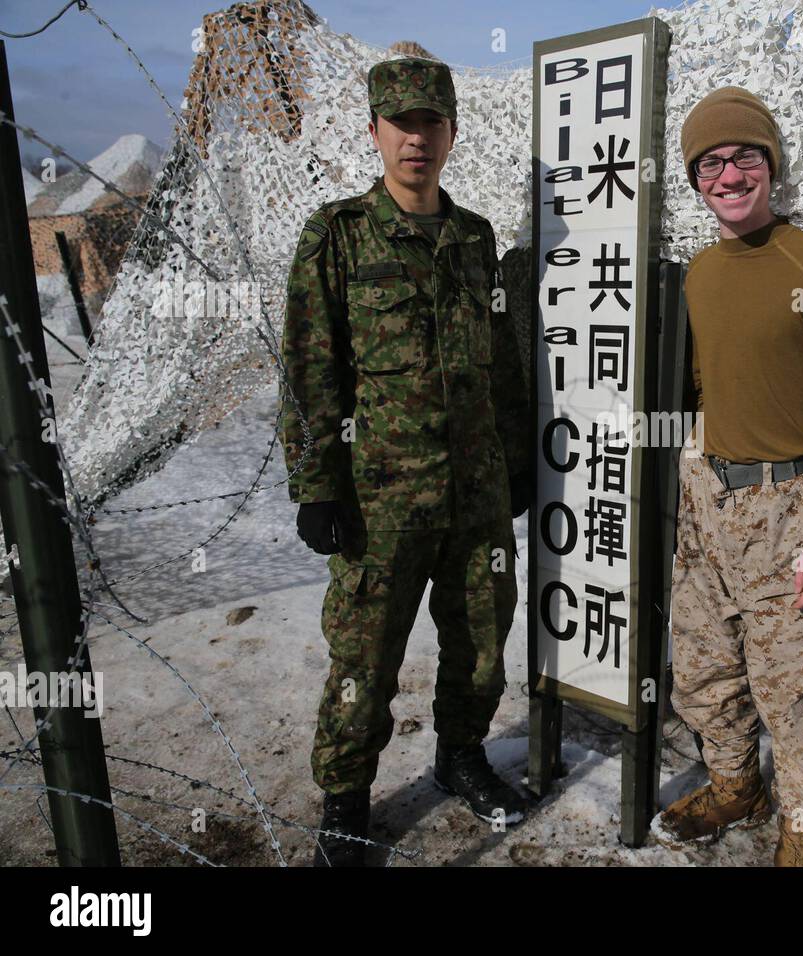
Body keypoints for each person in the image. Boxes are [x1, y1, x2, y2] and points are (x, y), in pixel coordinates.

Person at [278, 56, 532, 866]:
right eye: (400, 122)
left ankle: (461, 757)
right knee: (365, 657)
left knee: (483, 640)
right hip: (380, 495)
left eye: (430, 122)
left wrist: (517, 451)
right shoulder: (339, 234)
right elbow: (311, 369)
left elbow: (499, 354)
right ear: (375, 131)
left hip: (476, 490)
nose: (415, 138)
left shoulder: (473, 237)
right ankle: (347, 803)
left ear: (451, 132)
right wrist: (317, 484)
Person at [650, 87, 803, 866]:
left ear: (770, 165)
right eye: (709, 163)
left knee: (792, 688)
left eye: (744, 156)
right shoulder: (700, 274)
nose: (728, 174)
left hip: (789, 508)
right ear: (695, 179)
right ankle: (734, 785)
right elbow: (709, 386)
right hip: (706, 498)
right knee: (706, 668)